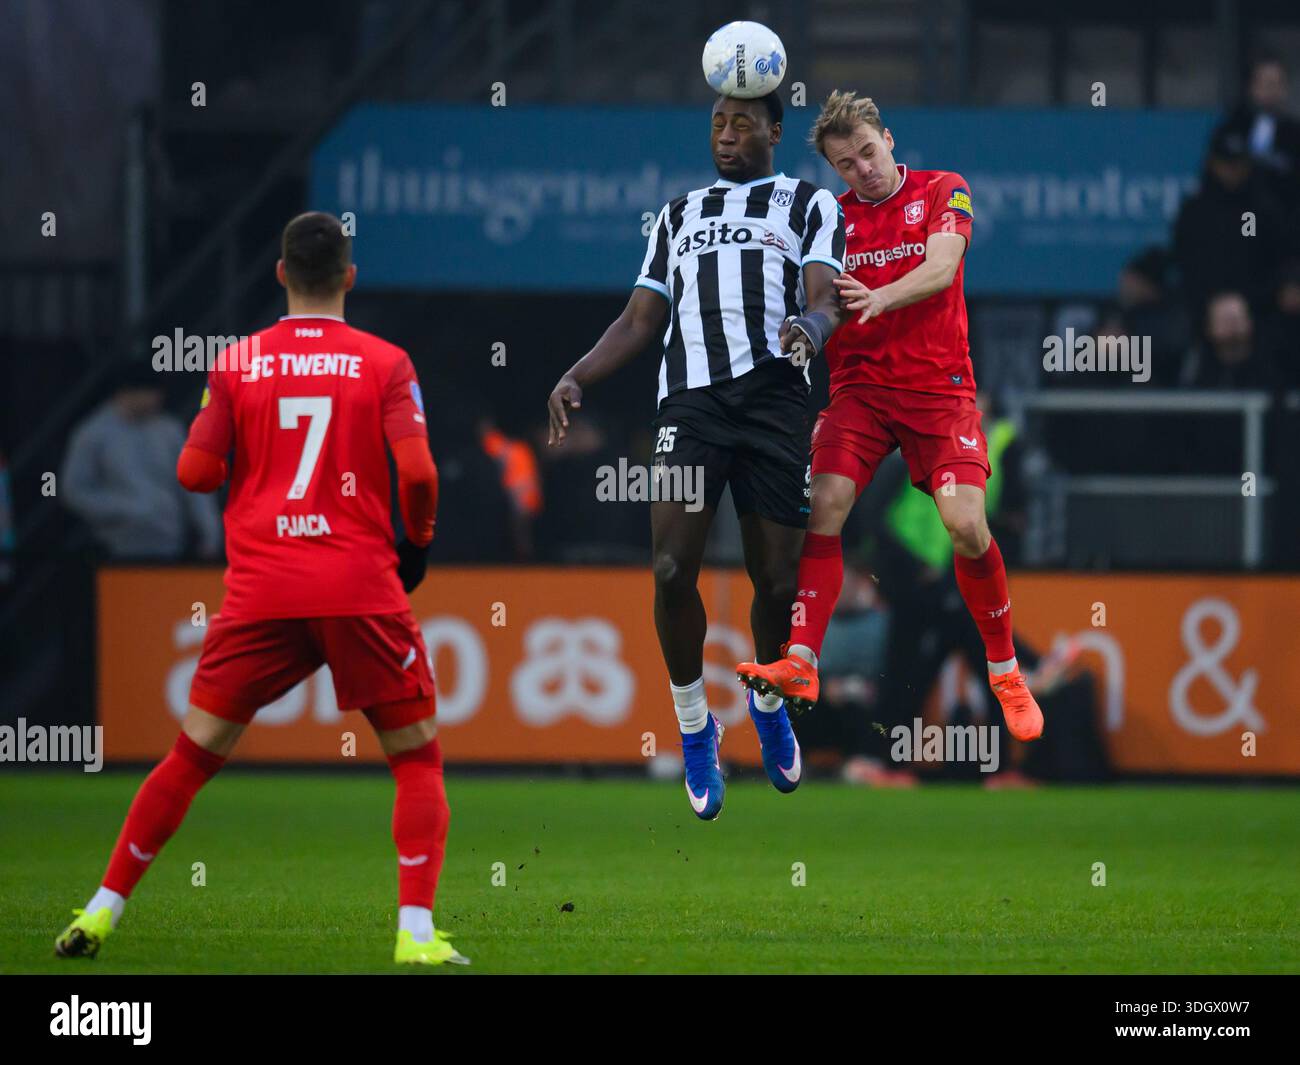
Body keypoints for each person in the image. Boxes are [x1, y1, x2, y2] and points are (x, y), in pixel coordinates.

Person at [55, 212, 466, 967]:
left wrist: (245, 454)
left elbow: (194, 474)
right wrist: (421, 541)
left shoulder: (236, 363)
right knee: (415, 760)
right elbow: (419, 473)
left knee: (191, 755)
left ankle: (101, 910)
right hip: (357, 586)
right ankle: (414, 934)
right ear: (348, 276)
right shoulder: (386, 362)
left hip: (263, 589)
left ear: (280, 275)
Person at [547, 90, 846, 820]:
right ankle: (693, 724)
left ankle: (768, 703)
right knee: (672, 566)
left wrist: (809, 325)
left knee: (776, 582)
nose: (727, 134)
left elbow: (826, 296)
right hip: (692, 404)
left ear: (775, 131)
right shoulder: (678, 215)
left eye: (743, 122)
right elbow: (639, 317)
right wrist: (577, 372)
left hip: (776, 399)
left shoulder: (810, 203)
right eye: (717, 121)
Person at [736, 90, 1043, 743]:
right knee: (825, 505)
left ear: (890, 139)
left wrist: (879, 297)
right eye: (846, 163)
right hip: (861, 392)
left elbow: (942, 266)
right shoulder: (829, 221)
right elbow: (802, 297)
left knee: (966, 526)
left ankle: (1006, 667)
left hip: (939, 390)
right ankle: (803, 661)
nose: (862, 170)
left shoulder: (942, 190)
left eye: (868, 153)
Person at [61, 364, 222, 560]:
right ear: (126, 392)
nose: (156, 399)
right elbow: (74, 490)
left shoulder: (169, 430)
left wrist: (209, 530)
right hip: (115, 550)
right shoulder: (93, 434)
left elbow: (194, 482)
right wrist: (123, 509)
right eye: (150, 392)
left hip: (171, 547)